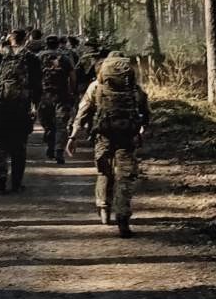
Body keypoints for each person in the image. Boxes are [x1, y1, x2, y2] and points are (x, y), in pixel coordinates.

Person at [69, 51, 150, 238]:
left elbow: (82, 112)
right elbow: (144, 112)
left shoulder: (95, 88)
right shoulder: (134, 90)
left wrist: (73, 136)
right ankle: (122, 215)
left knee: (104, 172)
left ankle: (103, 207)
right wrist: (142, 129)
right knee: (125, 176)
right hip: (127, 136)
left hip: (103, 135)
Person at [0, 27, 42, 194]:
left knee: (0, 144)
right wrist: (34, 106)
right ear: (25, 40)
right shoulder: (31, 59)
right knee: (19, 146)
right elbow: (37, 85)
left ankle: (2, 174)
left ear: (10, 40)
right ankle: (16, 182)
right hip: (21, 108)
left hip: (0, 107)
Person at [38, 34, 77, 164]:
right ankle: (59, 150)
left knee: (48, 124)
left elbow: (33, 77)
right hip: (62, 95)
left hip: (45, 96)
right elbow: (72, 76)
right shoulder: (65, 58)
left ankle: (51, 146)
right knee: (61, 124)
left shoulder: (39, 57)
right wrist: (72, 91)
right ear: (57, 44)